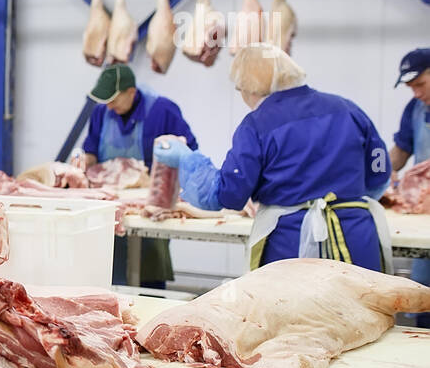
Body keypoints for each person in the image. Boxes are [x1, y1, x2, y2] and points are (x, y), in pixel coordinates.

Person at [156, 43, 391, 273]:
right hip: (357, 241)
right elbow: (380, 168)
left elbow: (228, 193)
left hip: (292, 246)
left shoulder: (257, 125)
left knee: (296, 312)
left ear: (250, 87)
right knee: (360, 309)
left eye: (241, 90)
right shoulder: (348, 109)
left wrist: (186, 160)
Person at [80, 63, 197, 288]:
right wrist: (83, 164)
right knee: (110, 274)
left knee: (149, 267)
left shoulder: (163, 110)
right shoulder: (102, 112)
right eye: (106, 101)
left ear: (131, 92)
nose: (110, 106)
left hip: (148, 204)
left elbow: (188, 151)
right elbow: (91, 151)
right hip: (111, 203)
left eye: (114, 99)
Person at [389, 47, 430, 324]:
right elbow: (400, 153)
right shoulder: (415, 108)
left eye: (420, 84)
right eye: (410, 87)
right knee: (423, 293)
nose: (415, 92)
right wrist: (381, 176)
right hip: (424, 217)